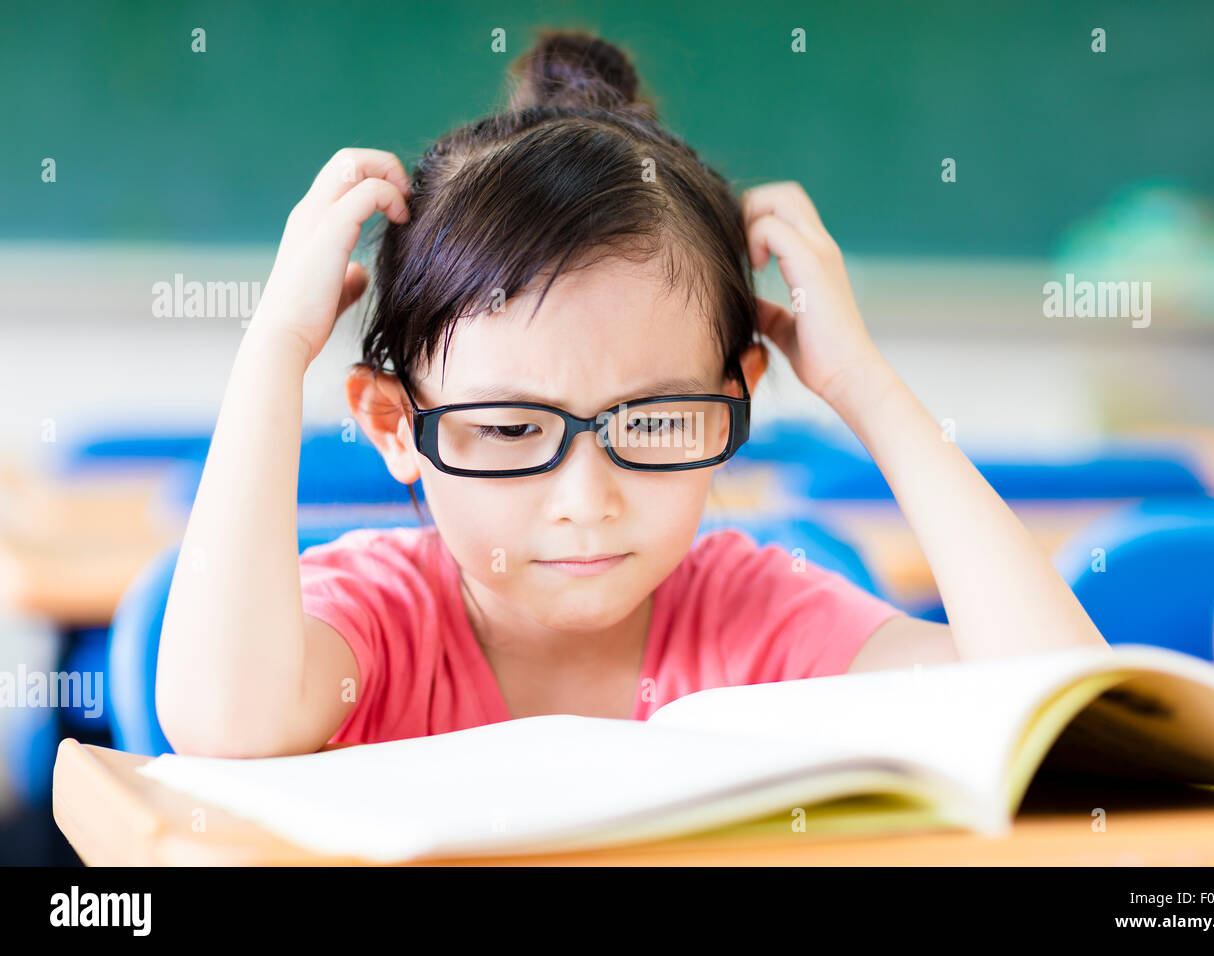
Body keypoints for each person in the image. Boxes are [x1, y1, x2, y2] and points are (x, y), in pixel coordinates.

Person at [155, 30, 1108, 758]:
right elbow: (222, 718)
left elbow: (1061, 716)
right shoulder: (378, 619)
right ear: (396, 424)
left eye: (651, 420)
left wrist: (863, 385)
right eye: (509, 427)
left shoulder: (757, 618)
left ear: (735, 403)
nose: (587, 500)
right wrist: (274, 351)